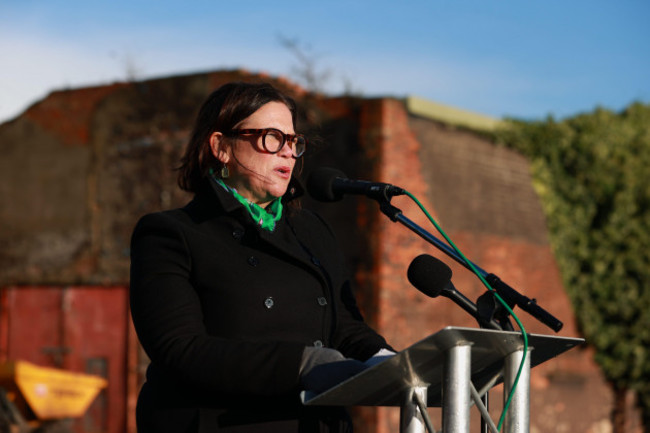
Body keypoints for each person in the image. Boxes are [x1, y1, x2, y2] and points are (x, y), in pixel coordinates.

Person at [129, 81, 394, 433]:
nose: (287, 152)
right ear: (221, 146)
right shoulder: (170, 233)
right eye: (272, 137)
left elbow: (344, 327)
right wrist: (304, 364)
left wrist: (389, 362)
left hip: (314, 424)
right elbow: (181, 349)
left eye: (293, 141)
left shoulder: (311, 230)